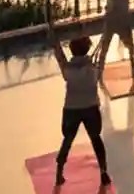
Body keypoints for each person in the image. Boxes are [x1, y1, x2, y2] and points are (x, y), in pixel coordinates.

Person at [47, 25, 110, 188]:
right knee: (96, 139)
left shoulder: (68, 70)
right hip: (91, 108)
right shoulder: (93, 68)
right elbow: (102, 55)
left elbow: (59, 55)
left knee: (67, 139)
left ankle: (59, 171)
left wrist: (54, 39)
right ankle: (103, 173)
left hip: (71, 109)